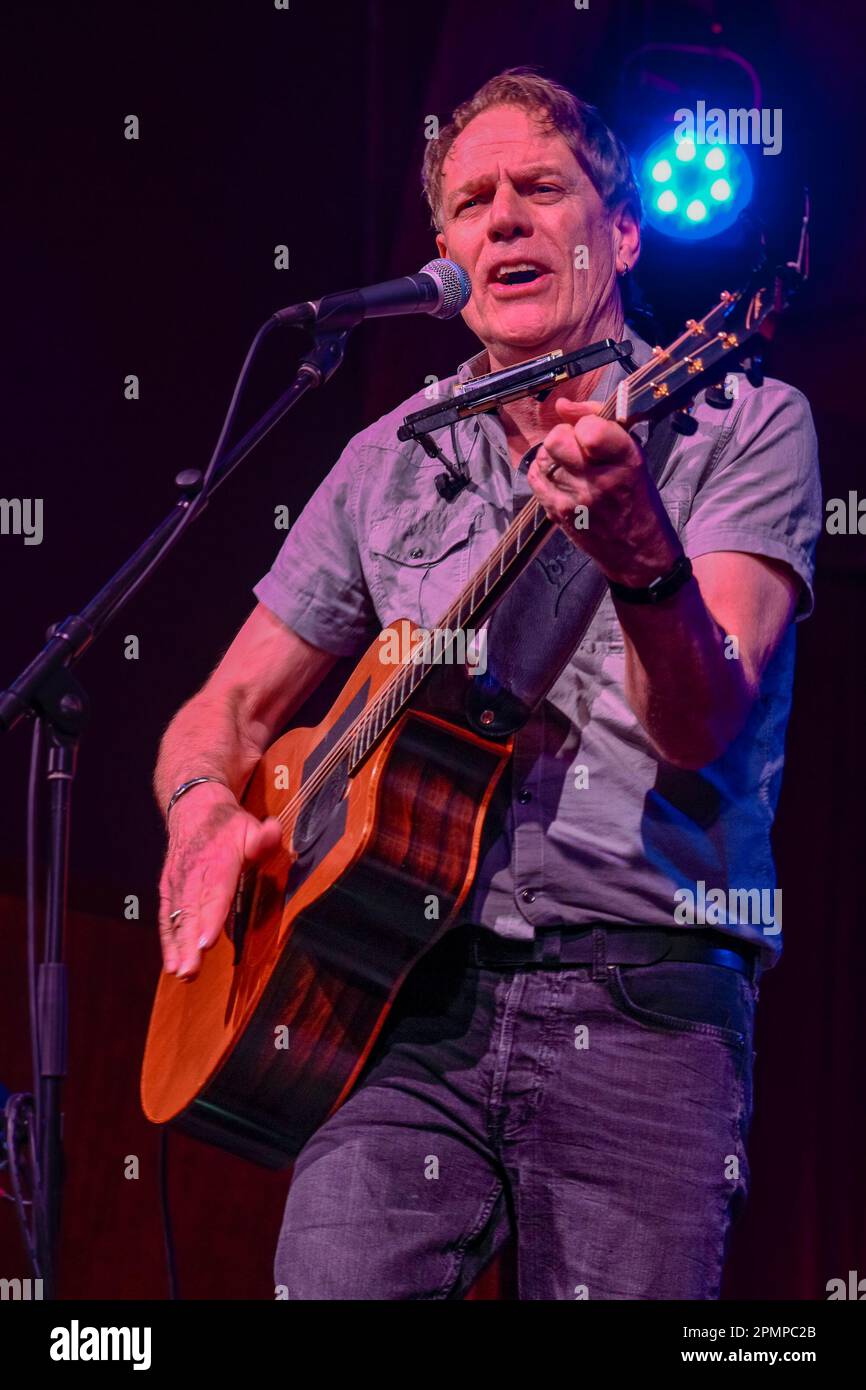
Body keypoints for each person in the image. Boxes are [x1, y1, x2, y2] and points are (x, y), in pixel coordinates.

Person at [153, 70, 822, 1299]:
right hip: (401, 1001)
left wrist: (639, 554)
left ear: (618, 233)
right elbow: (226, 712)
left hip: (643, 1004)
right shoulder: (385, 456)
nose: (504, 219)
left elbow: (699, 725)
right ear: (446, 253)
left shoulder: (737, 415)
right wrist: (201, 809)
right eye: (472, 202)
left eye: (539, 189)